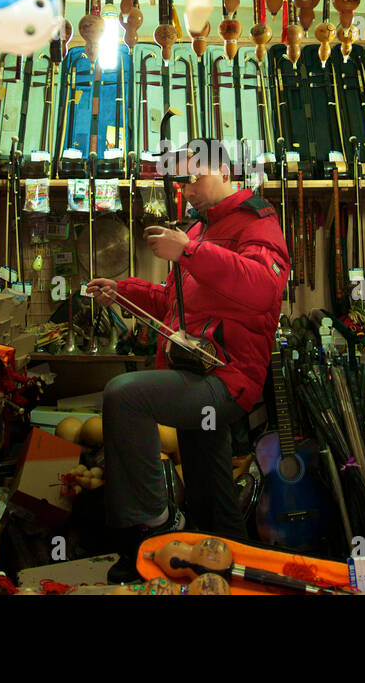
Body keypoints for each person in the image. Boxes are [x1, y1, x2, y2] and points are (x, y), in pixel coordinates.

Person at [86, 137, 289, 583]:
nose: (187, 188)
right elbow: (172, 302)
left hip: (227, 377)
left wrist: (190, 252)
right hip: (194, 372)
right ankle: (234, 567)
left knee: (126, 397)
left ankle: (152, 527)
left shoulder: (257, 223)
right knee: (211, 493)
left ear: (225, 172)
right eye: (181, 178)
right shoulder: (198, 229)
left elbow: (263, 288)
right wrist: (122, 291)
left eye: (194, 176)